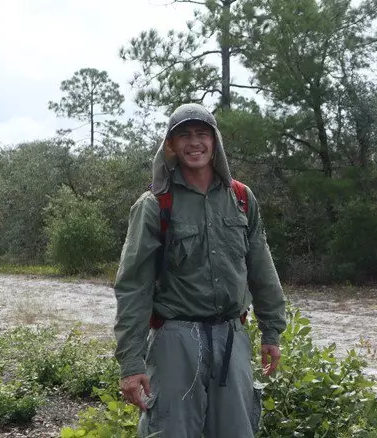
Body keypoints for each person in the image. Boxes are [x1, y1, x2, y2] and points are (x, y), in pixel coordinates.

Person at [113, 103, 287, 438]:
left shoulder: (241, 198)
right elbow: (133, 288)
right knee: (170, 430)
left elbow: (262, 268)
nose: (195, 143)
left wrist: (271, 332)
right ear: (171, 146)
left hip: (231, 337)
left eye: (202, 133)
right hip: (174, 338)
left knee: (237, 430)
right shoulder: (154, 205)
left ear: (215, 141)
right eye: (184, 135)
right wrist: (131, 364)